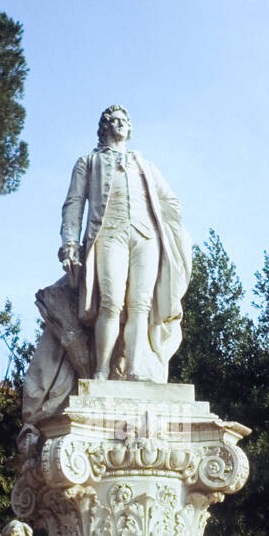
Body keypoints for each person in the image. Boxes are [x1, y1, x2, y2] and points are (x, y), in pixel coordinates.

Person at [58, 104, 191, 383]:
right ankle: (102, 371)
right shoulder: (88, 162)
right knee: (111, 302)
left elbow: (171, 201)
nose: (120, 125)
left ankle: (134, 370)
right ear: (104, 127)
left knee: (140, 305)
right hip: (109, 234)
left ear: (129, 128)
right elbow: (73, 205)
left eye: (124, 121)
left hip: (145, 236)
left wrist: (167, 222)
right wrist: (70, 243)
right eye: (114, 121)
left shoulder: (146, 165)